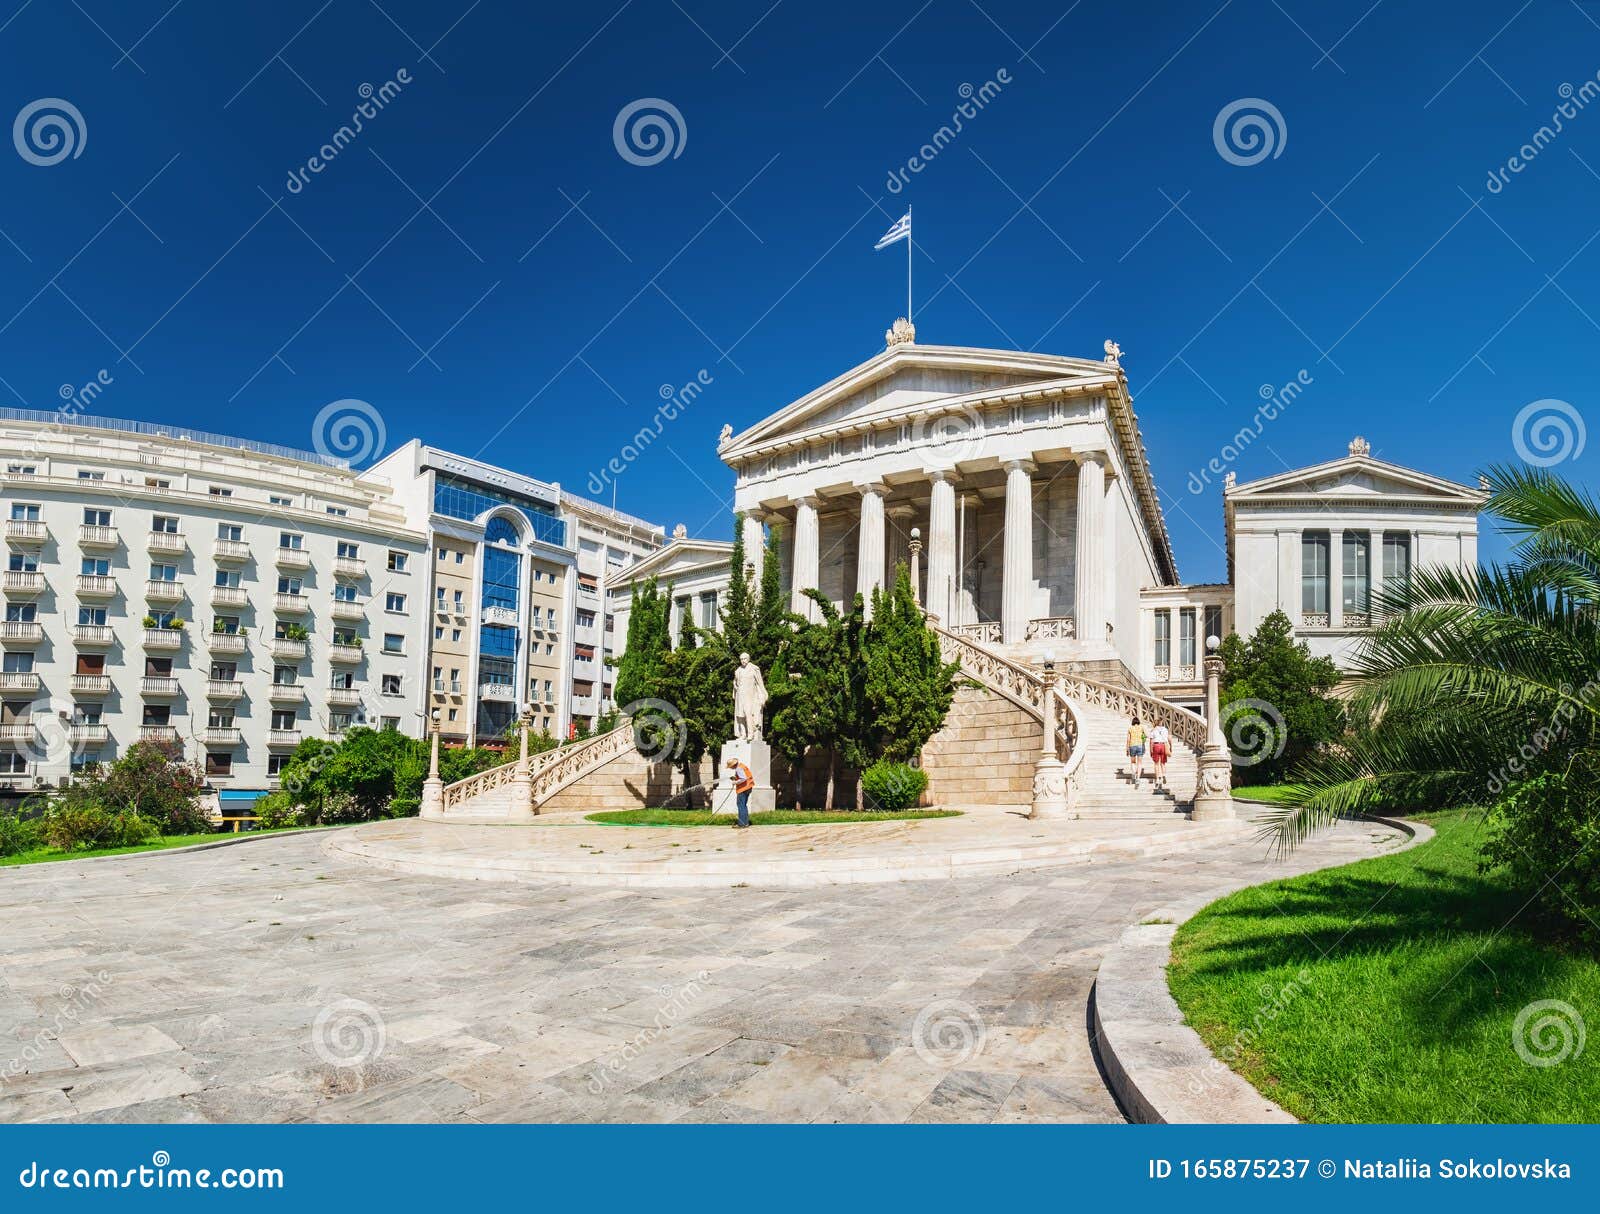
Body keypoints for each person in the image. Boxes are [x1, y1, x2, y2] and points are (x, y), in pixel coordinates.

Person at [726, 757, 754, 828]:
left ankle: (741, 824)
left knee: (741, 805)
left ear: (733, 765)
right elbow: (744, 777)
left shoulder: (738, 768)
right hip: (748, 787)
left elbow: (743, 778)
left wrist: (735, 782)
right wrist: (735, 778)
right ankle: (746, 823)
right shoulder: (742, 766)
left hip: (743, 789)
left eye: (730, 767)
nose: (730, 768)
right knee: (743, 805)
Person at [1148, 721, 1171, 788]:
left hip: (1156, 745)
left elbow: (1151, 741)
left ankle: (1158, 779)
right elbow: (1169, 739)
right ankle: (1164, 775)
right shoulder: (1165, 729)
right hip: (1163, 745)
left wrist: (1151, 750)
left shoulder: (1153, 730)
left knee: (1156, 763)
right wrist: (1170, 747)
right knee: (1163, 763)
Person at [1125, 716, 1146, 782]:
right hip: (1140, 745)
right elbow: (1144, 737)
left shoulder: (1130, 728)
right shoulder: (1141, 727)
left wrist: (1127, 749)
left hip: (1132, 745)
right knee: (1139, 763)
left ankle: (1134, 773)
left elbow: (1128, 740)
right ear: (1138, 722)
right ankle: (1138, 778)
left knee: (1133, 762)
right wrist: (1144, 745)